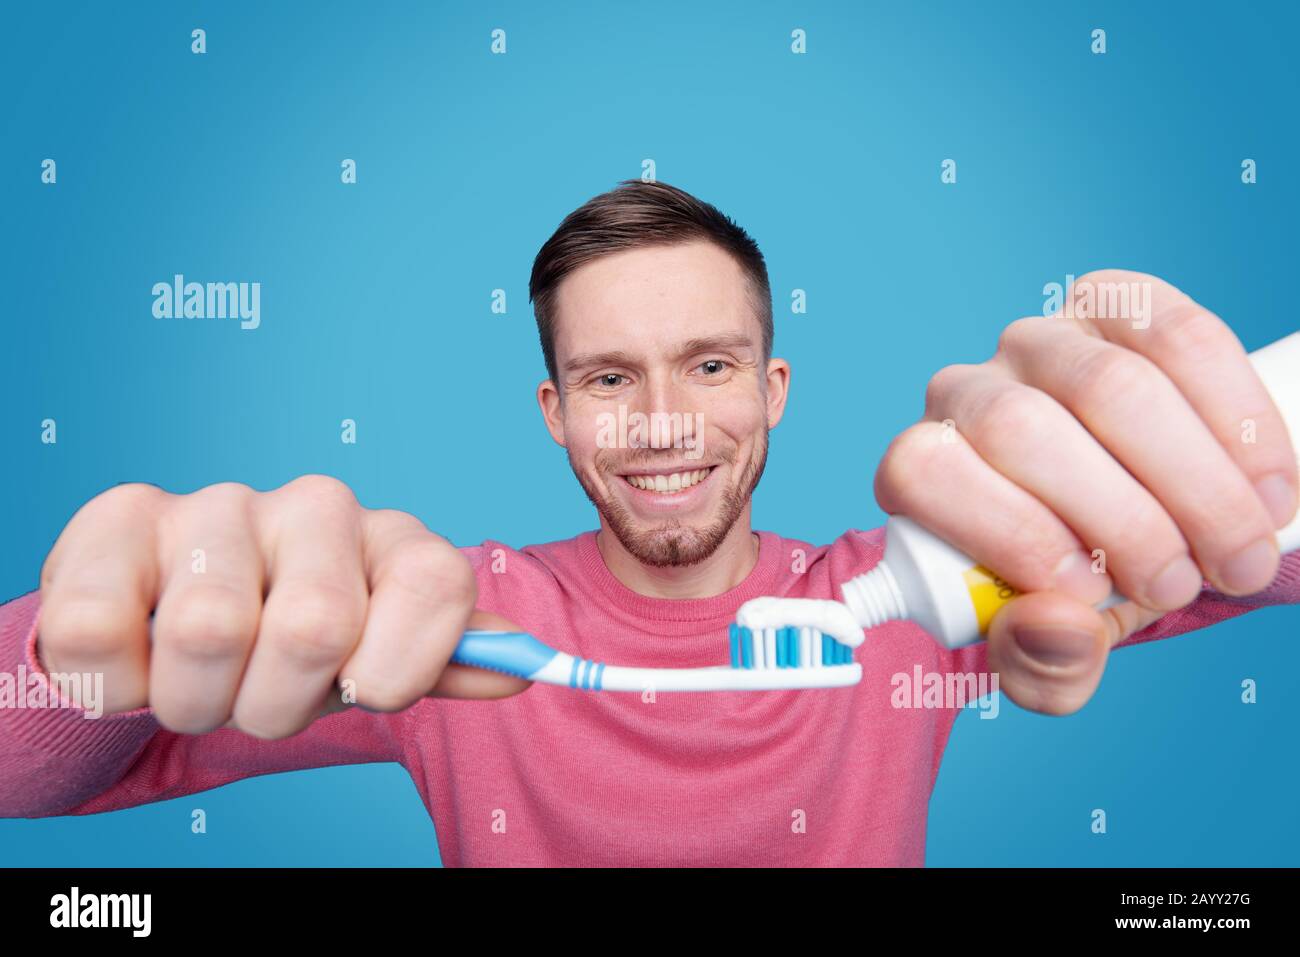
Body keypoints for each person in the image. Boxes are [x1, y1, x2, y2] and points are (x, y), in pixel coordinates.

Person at [2, 180, 1296, 866]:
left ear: (776, 389)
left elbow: (1266, 553)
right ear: (556, 412)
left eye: (712, 365)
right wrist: (119, 623)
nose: (663, 422)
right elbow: (22, 775)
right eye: (612, 379)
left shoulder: (933, 607)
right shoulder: (433, 620)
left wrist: (1213, 461)